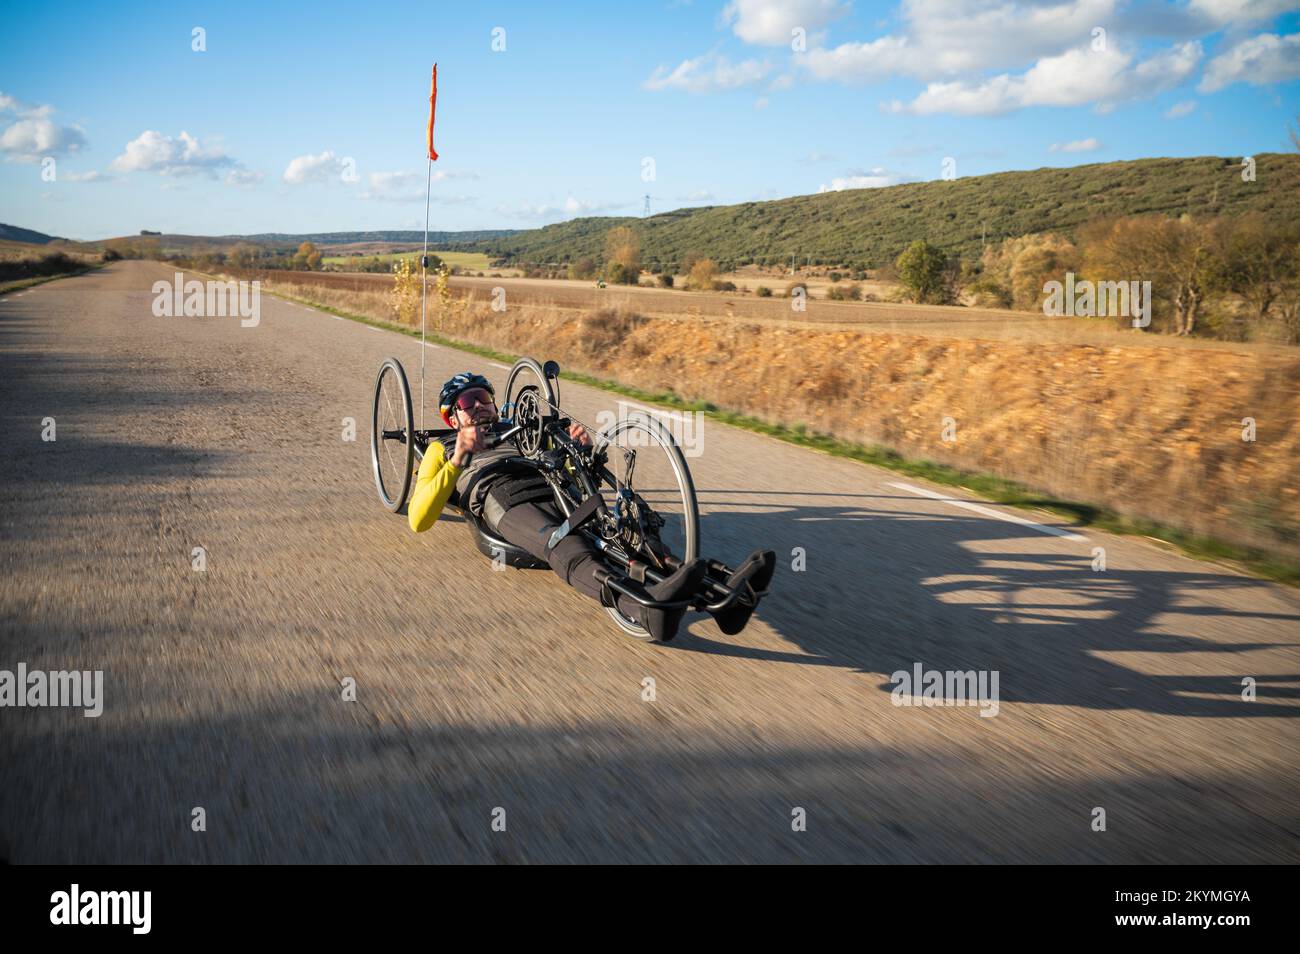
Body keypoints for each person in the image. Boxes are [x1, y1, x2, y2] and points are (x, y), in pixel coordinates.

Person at [407, 371, 773, 641]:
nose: (481, 407)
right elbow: (419, 519)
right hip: (504, 497)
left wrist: (577, 451)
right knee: (565, 543)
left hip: (553, 486)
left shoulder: (521, 428)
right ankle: (641, 611)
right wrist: (458, 457)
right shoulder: (443, 447)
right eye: (468, 404)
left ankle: (724, 595)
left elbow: (569, 470)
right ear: (451, 417)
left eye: (485, 398)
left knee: (628, 533)